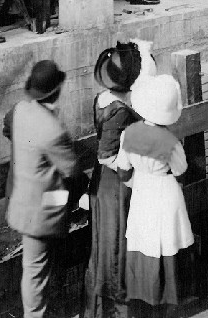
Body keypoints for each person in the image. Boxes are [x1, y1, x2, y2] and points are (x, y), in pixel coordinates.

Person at [4, 60, 83, 318]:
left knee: (36, 268)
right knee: (37, 272)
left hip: (22, 200)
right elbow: (71, 169)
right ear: (57, 91)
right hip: (43, 211)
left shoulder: (19, 112)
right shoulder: (53, 130)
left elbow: (7, 128)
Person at [83, 40, 155, 318]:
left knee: (105, 247)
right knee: (118, 247)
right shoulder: (119, 110)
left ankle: (100, 309)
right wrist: (131, 171)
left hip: (103, 185)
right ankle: (119, 310)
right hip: (116, 185)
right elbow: (105, 156)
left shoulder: (101, 100)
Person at [117, 74, 194, 315]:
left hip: (142, 190)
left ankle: (142, 297)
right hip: (165, 189)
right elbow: (181, 169)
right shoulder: (171, 141)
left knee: (144, 239)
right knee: (169, 239)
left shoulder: (128, 133)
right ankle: (169, 299)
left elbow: (122, 170)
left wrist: (134, 183)